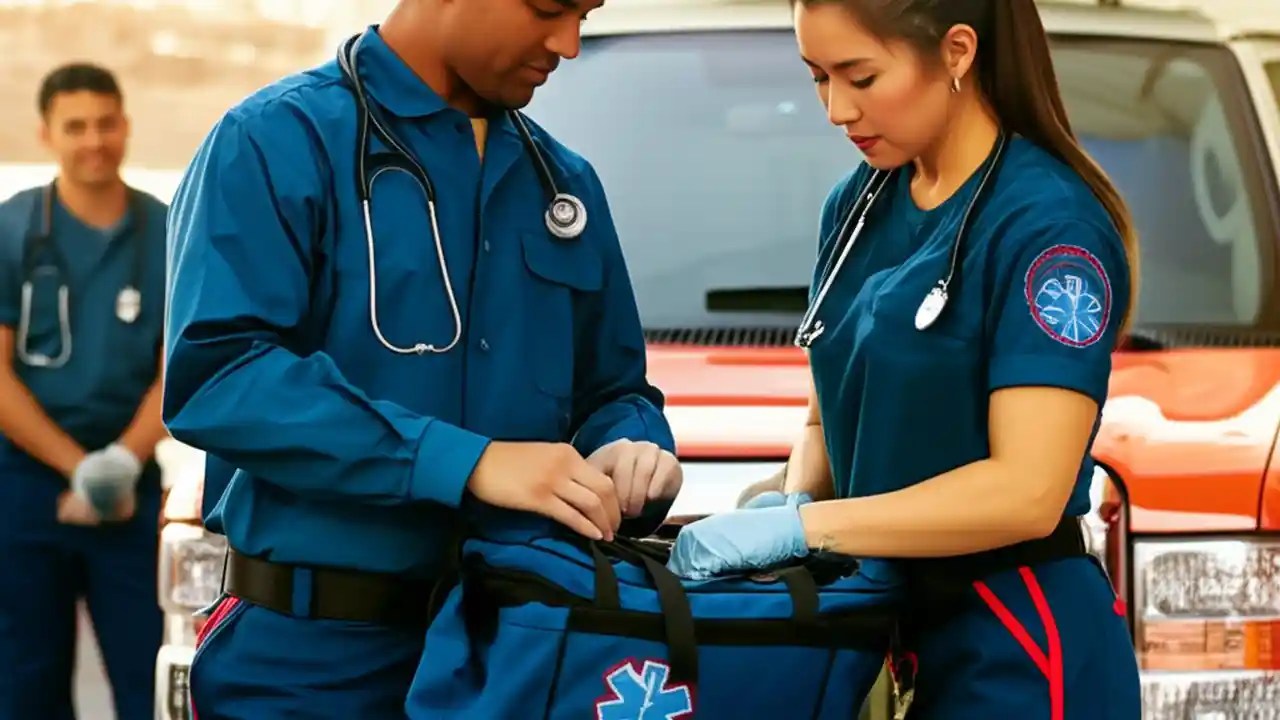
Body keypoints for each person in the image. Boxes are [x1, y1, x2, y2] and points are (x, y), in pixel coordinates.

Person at [162, 0, 682, 717]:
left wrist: (633, 446)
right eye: (548, 10)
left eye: (583, 16)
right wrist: (465, 461)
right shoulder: (274, 141)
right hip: (310, 665)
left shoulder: (564, 185)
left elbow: (614, 389)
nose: (566, 44)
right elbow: (219, 377)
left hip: (517, 655)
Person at [667, 1, 1142, 718]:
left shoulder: (1048, 228)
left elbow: (1027, 491)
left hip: (1012, 648)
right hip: (877, 636)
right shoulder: (856, 207)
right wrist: (792, 497)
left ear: (956, 52)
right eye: (817, 76)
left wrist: (808, 529)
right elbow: (829, 418)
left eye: (859, 76)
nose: (835, 109)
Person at [0, 63, 169, 720]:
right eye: (76, 126)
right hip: (25, 481)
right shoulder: (15, 230)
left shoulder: (167, 231)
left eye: (106, 123)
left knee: (143, 675)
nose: (93, 140)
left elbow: (177, 368)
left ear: (124, 125)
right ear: (47, 134)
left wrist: (119, 464)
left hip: (130, 478)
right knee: (25, 682)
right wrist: (81, 471)